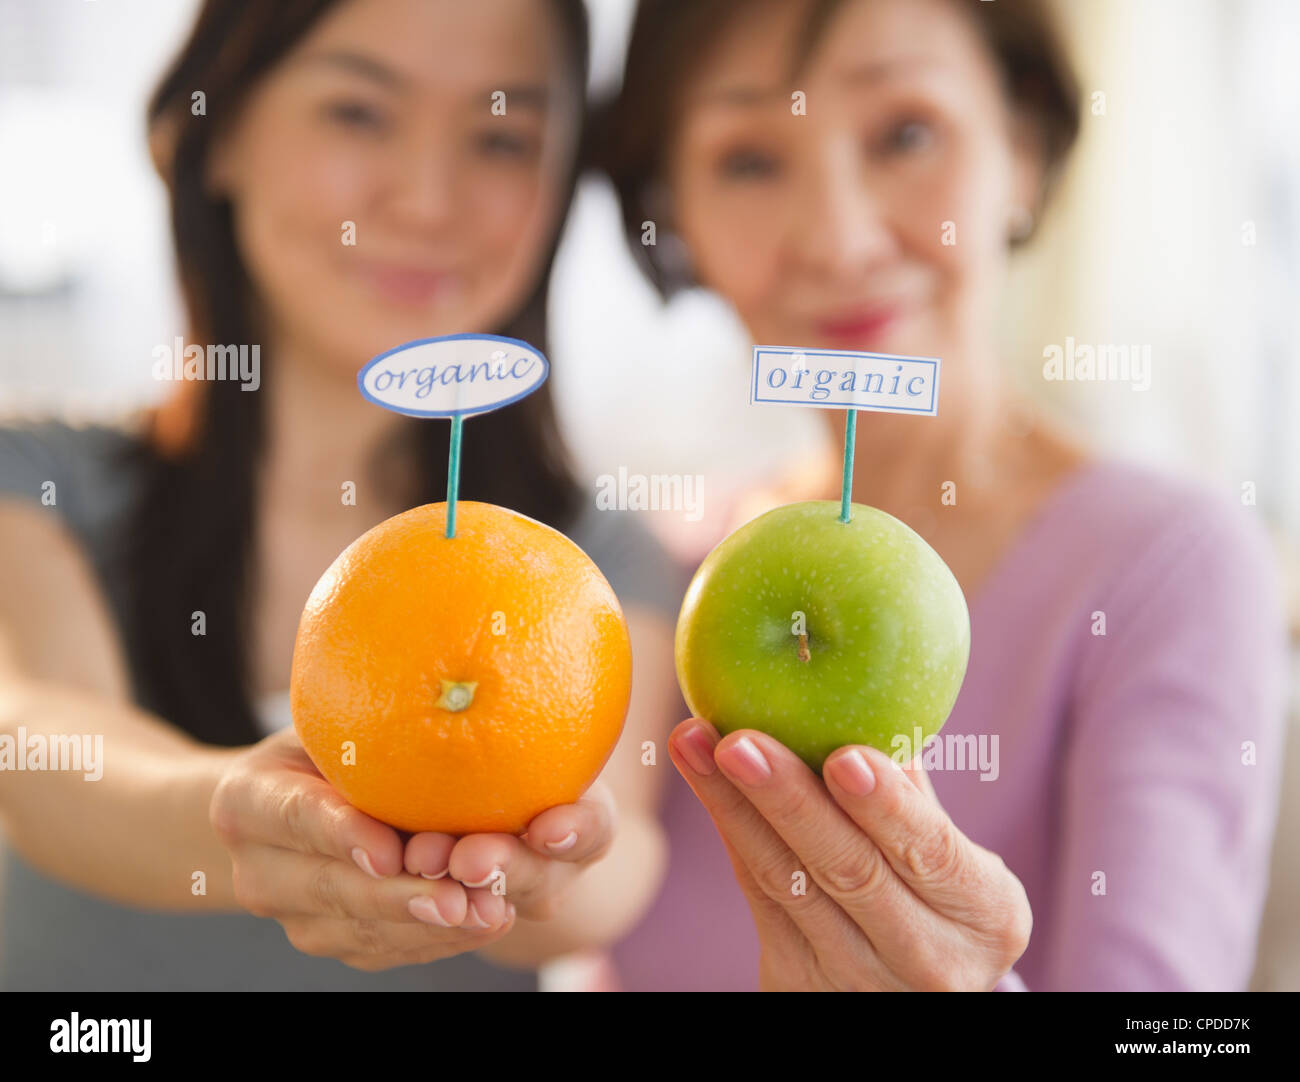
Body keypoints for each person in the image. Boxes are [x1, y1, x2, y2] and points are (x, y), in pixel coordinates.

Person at [598, 0, 1289, 990]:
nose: (836, 239)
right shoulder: (663, 562)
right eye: (748, 159)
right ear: (676, 219)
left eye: (905, 133)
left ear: (1022, 146)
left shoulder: (1172, 563)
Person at [0, 0, 682, 991]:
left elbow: (608, 872)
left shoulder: (595, 548)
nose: (425, 198)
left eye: (500, 136)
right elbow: (41, 755)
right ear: (216, 132)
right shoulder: (35, 480)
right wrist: (258, 822)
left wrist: (550, 870)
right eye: (358, 113)